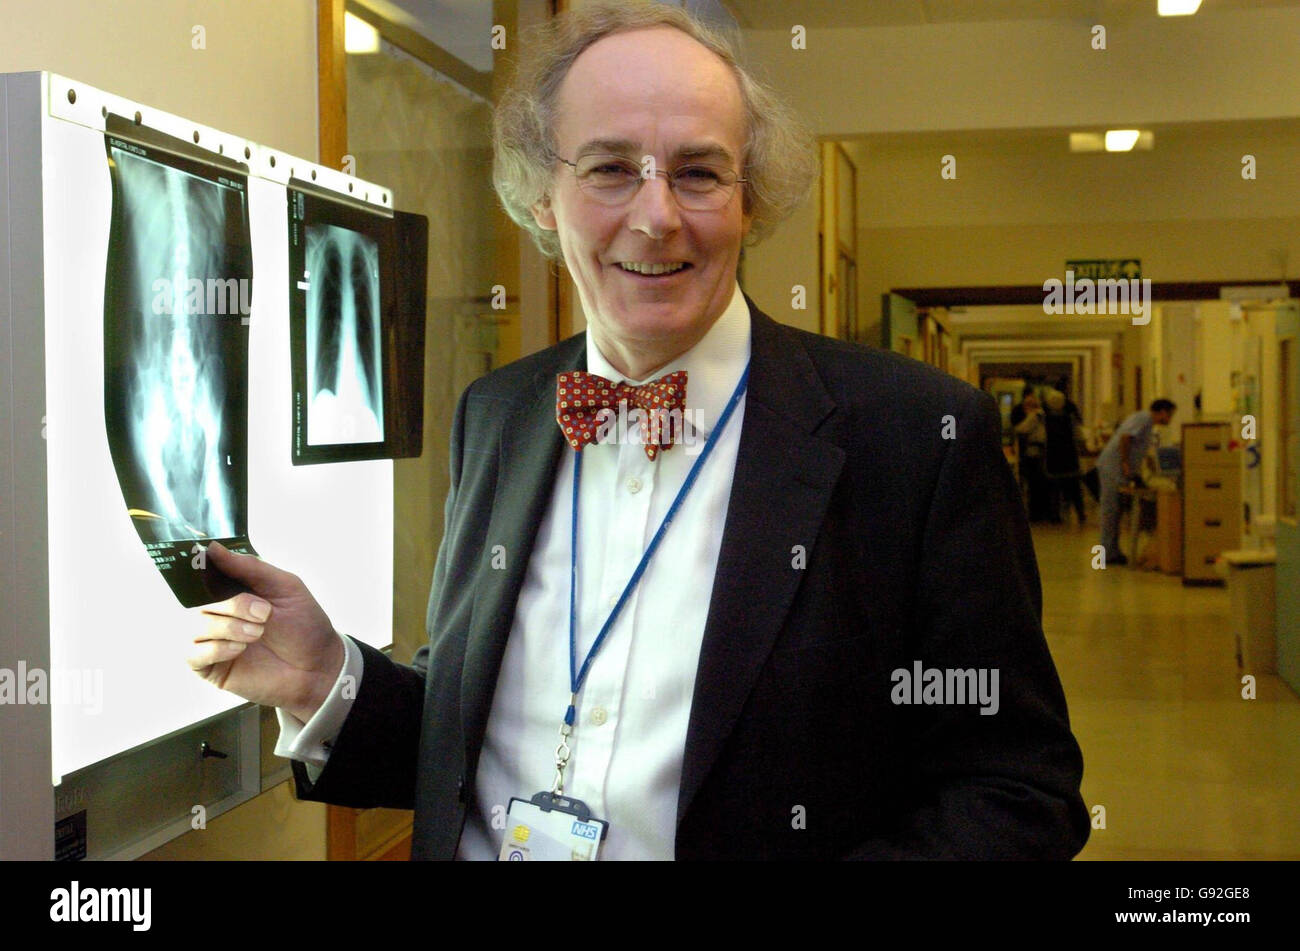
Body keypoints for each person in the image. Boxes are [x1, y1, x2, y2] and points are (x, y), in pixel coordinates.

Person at [188, 0, 1087, 860]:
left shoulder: (915, 439)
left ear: (751, 199)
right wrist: (323, 681)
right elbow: (470, 739)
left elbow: (1017, 793)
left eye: (698, 171)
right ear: (543, 195)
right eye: (610, 168)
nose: (656, 217)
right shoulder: (497, 416)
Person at [1096, 398, 1177, 565]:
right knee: (1110, 511)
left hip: (1118, 470)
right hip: (1112, 469)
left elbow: (1140, 450)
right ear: (1162, 412)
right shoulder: (1143, 418)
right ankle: (1107, 553)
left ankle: (1113, 551)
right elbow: (1125, 438)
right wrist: (1125, 463)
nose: (1170, 419)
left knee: (1116, 512)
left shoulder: (1148, 426)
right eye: (1170, 415)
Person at [1043, 388, 1085, 525]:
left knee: (1054, 489)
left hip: (1053, 457)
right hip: (1070, 457)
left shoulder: (1044, 419)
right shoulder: (1071, 418)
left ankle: (1055, 515)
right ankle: (1081, 514)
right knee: (1075, 488)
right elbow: (1079, 435)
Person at [1010, 390, 1052, 522]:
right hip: (1044, 454)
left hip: (1033, 453)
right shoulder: (1045, 415)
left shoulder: (1035, 416)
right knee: (1041, 485)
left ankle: (1036, 513)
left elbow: (1021, 429)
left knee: (1034, 485)